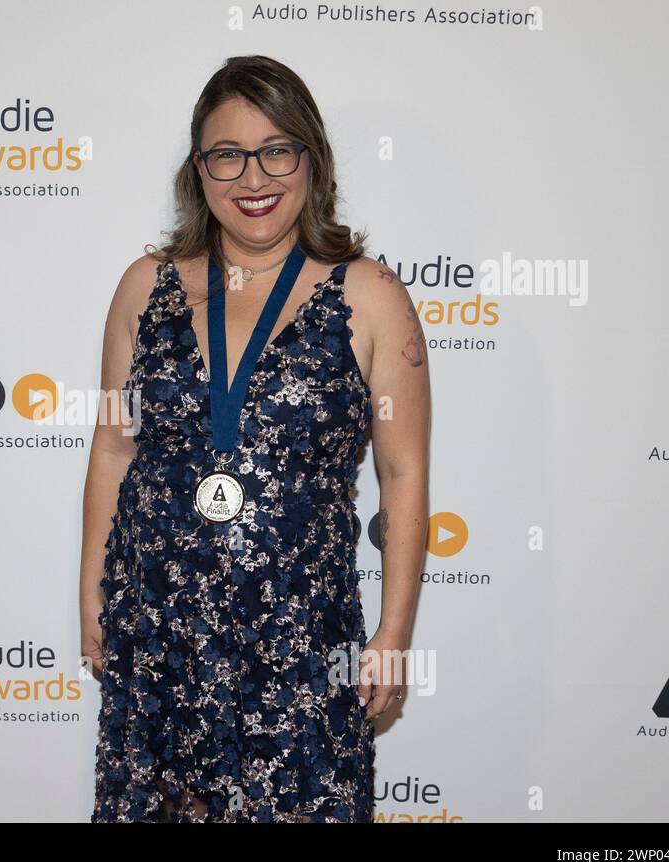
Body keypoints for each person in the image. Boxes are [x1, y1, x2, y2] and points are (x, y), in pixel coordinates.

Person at [79, 55, 430, 823]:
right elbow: (112, 448)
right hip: (161, 639)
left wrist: (394, 632)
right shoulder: (146, 286)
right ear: (197, 170)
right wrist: (91, 595)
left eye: (276, 149)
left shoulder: (370, 295)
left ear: (310, 157)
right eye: (226, 155)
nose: (252, 176)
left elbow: (402, 475)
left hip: (301, 649)